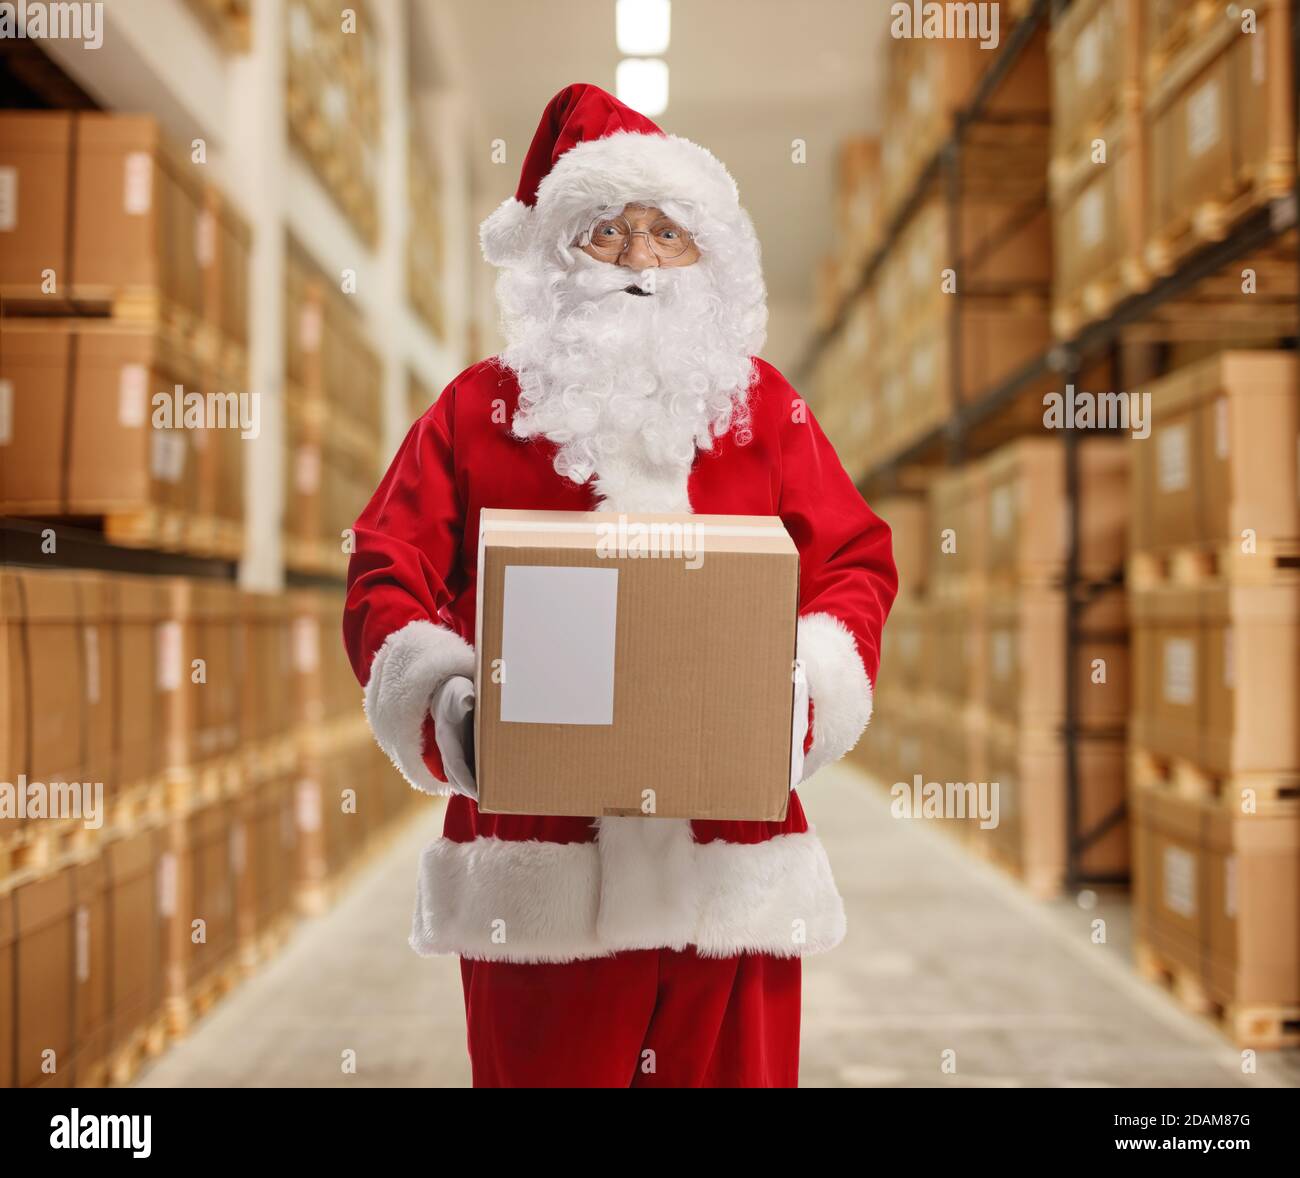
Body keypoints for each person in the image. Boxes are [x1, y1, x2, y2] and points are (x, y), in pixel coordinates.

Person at [342, 83, 897, 1088]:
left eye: (668, 235)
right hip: (541, 883)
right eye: (607, 233)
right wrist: (444, 704)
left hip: (731, 873)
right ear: (556, 254)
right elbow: (385, 565)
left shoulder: (763, 409)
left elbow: (855, 559)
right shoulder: (476, 411)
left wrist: (809, 696)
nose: (641, 261)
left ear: (707, 257)